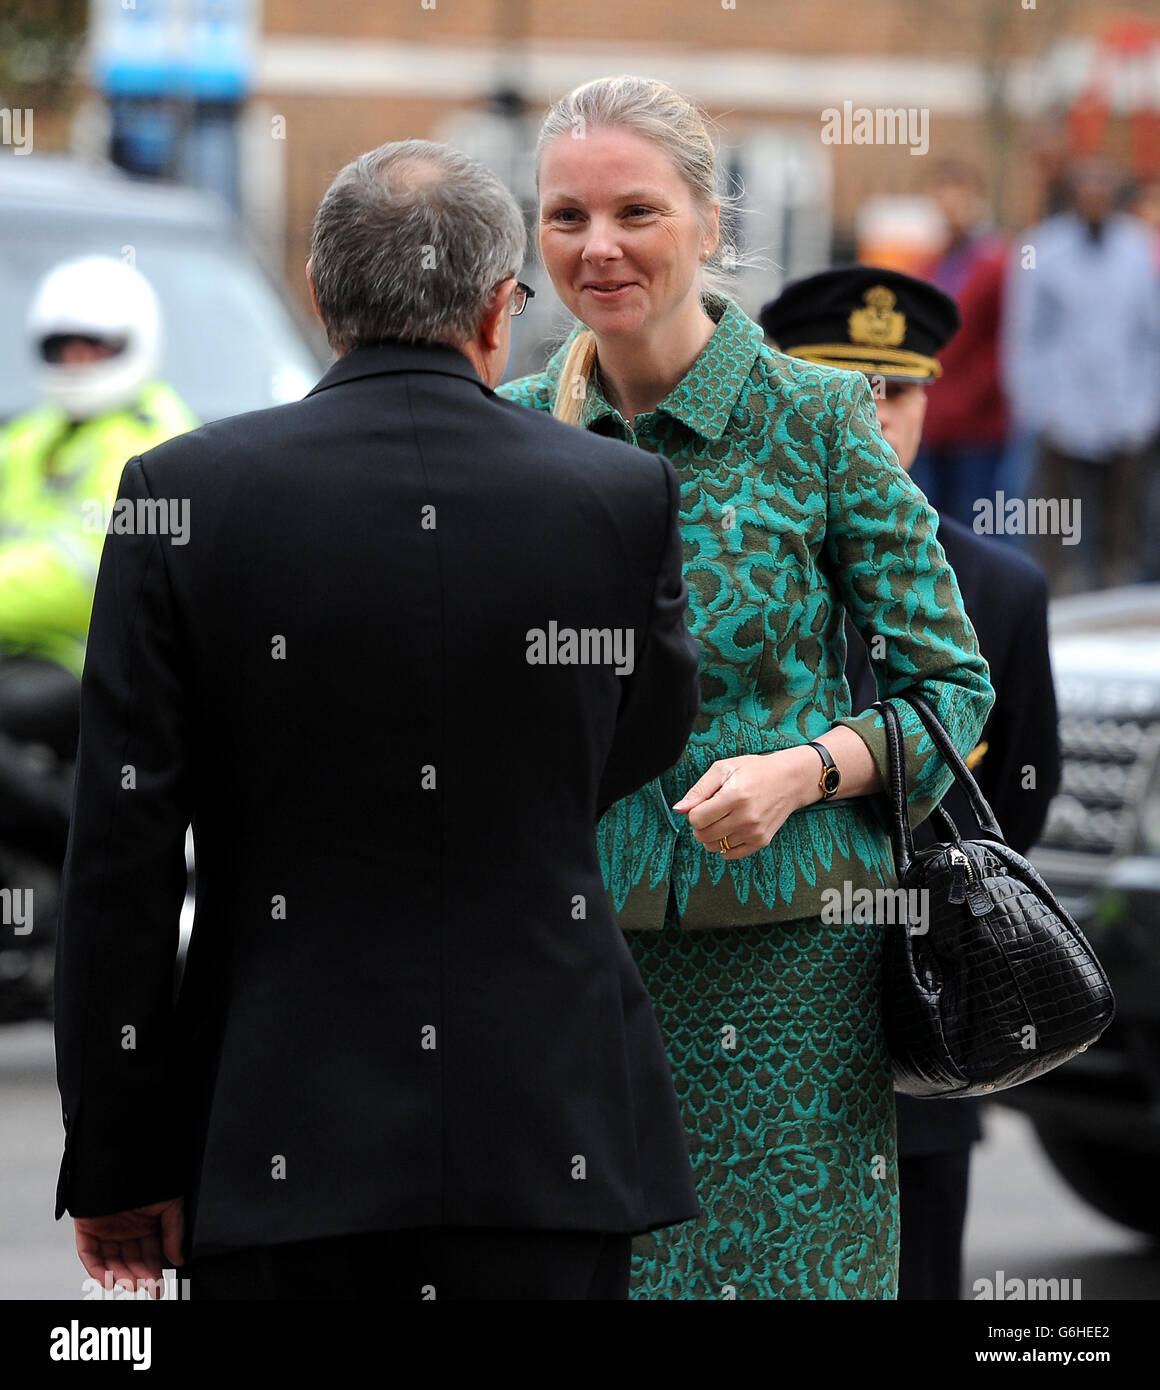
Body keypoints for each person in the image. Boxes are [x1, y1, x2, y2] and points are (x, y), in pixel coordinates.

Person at [53, 139, 703, 1301]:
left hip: (274, 1132)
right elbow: (644, 734)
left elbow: (121, 859)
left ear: (319, 294)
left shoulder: (180, 494)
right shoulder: (615, 494)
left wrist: (115, 1156)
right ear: (500, 311)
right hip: (544, 1125)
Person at [499, 75, 994, 1300]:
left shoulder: (818, 419)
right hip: (565, 976)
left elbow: (951, 685)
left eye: (634, 212)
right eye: (564, 218)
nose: (596, 248)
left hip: (791, 982)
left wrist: (807, 768)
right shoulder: (509, 432)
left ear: (708, 222)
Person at [762, 265, 1061, 1300]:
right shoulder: (729, 563)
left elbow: (1013, 800)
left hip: (919, 1013)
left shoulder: (996, 588)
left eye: (897, 391)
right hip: (755, 992)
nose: (873, 414)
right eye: (841, 386)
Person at [0, 259, 194, 861]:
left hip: (98, 663)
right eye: (64, 347)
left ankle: (95, 853)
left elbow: (87, 573)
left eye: (95, 345)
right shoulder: (30, 437)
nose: (78, 361)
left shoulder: (156, 439)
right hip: (20, 652)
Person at [1001, 159, 1160, 595]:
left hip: (1128, 414)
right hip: (1062, 416)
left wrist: (1147, 406)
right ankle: (1057, 616)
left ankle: (1118, 621)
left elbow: (1151, 335)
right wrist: (1034, 405)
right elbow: (1023, 334)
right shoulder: (1040, 249)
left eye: (1103, 186)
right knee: (1056, 531)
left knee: (1123, 535)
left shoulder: (1140, 248)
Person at [909, 163, 1012, 529]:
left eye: (959, 201)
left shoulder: (995, 265)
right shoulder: (928, 266)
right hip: (932, 423)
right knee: (931, 523)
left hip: (977, 428)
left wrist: (968, 396)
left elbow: (1004, 344)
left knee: (974, 525)